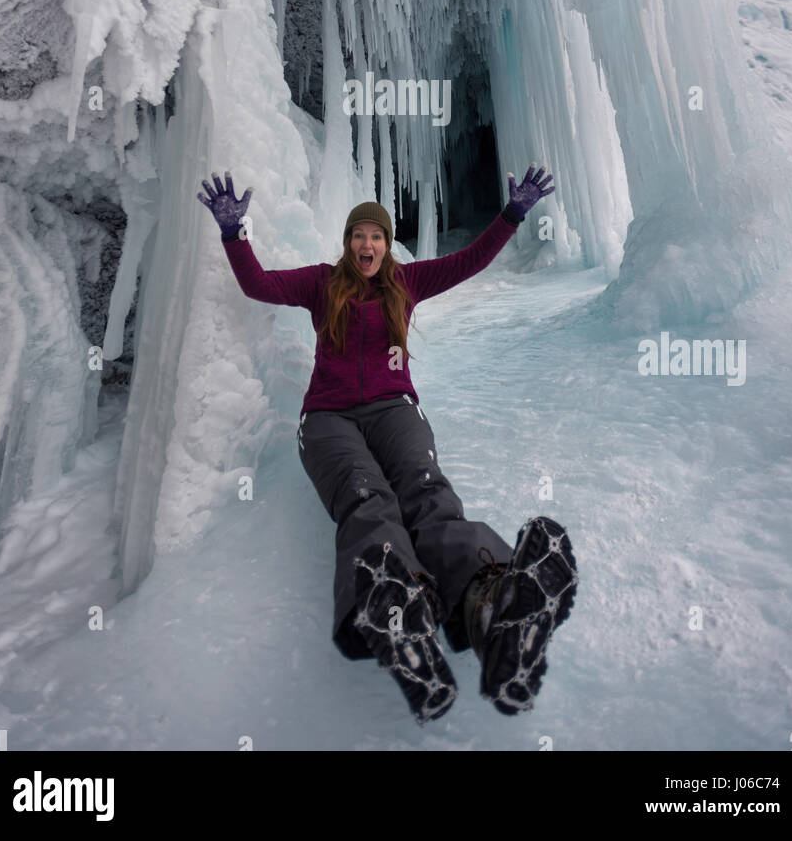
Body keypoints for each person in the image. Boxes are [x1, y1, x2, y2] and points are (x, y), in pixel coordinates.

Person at [198, 164, 577, 725]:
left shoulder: (406, 283)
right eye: (358, 235)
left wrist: (512, 215)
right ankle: (396, 606)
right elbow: (260, 285)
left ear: (386, 243)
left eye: (376, 235)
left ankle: (492, 603)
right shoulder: (321, 283)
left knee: (427, 493)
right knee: (366, 499)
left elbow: (469, 261)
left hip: (395, 408)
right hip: (327, 419)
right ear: (348, 243)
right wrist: (235, 234)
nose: (367, 243)